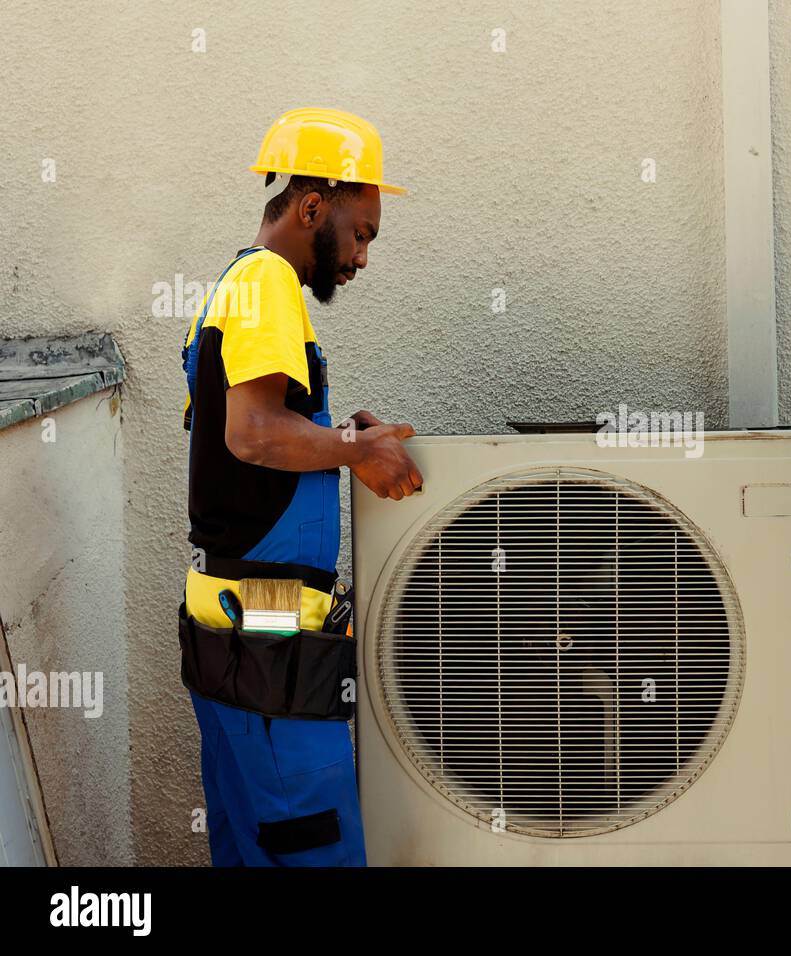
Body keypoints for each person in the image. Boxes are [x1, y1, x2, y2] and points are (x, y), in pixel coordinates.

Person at [178, 108, 424, 866]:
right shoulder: (268, 283)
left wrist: (340, 436)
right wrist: (355, 452)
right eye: (361, 232)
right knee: (313, 847)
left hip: (239, 624)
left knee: (253, 850)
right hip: (269, 632)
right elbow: (251, 432)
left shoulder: (239, 283)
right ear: (313, 206)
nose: (361, 257)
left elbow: (261, 434)